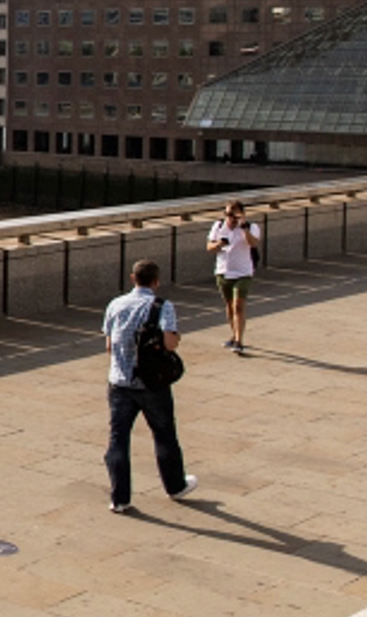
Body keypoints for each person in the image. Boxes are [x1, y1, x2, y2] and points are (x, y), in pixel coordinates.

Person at [102, 259, 196, 515]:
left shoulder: (116, 304)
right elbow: (169, 343)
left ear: (133, 278)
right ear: (156, 281)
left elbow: (109, 346)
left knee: (118, 440)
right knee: (164, 434)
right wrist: (175, 338)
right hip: (151, 382)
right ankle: (175, 486)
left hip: (119, 382)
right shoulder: (162, 306)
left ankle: (119, 498)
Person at [207, 200, 262, 354]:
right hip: (223, 271)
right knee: (230, 305)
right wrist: (219, 244)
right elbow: (209, 247)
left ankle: (239, 341)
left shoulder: (251, 227)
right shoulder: (218, 226)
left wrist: (244, 228)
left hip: (243, 272)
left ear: (241, 214)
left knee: (239, 305)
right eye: (228, 214)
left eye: (234, 214)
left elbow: (253, 243)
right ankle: (234, 334)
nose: (230, 218)